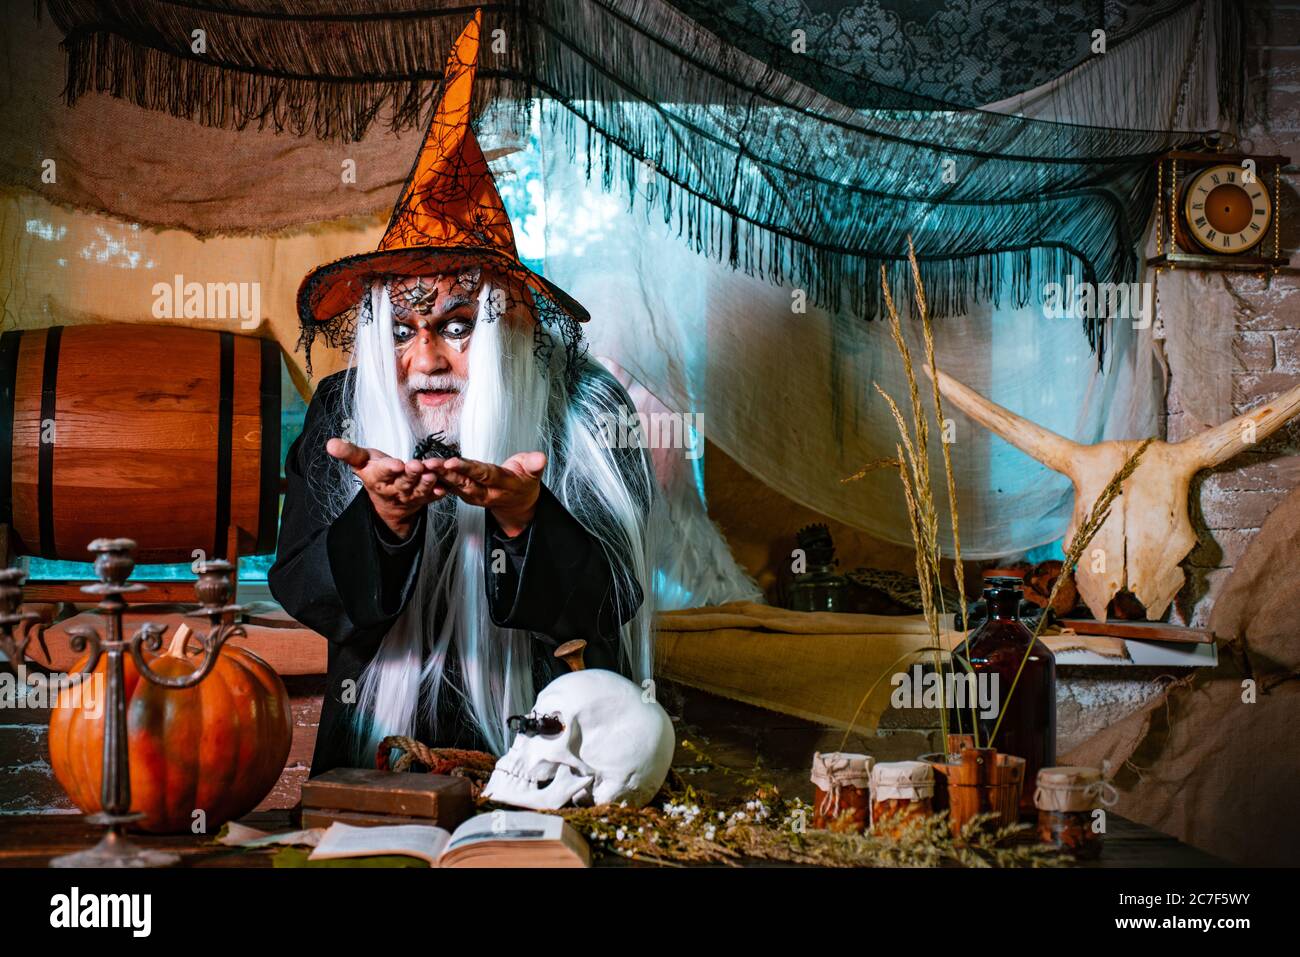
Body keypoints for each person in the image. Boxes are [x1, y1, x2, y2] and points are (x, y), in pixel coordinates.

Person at [268, 12, 658, 777]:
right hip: (376, 770)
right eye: (404, 332)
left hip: (551, 767)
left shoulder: (588, 413)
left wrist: (522, 518)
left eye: (454, 325)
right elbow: (305, 588)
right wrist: (379, 523)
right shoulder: (339, 414)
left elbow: (610, 600)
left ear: (509, 325)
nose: (425, 360)